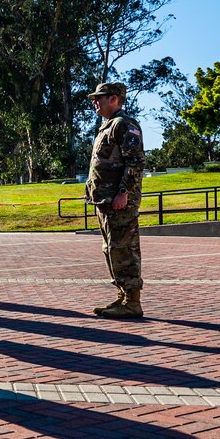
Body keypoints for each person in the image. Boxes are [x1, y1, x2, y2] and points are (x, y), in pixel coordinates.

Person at [87, 82, 146, 319]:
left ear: (114, 99)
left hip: (119, 200)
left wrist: (123, 192)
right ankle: (123, 296)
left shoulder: (125, 125)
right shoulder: (107, 126)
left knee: (124, 248)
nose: (95, 102)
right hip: (105, 201)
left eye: (99, 97)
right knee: (111, 249)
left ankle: (132, 302)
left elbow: (135, 163)